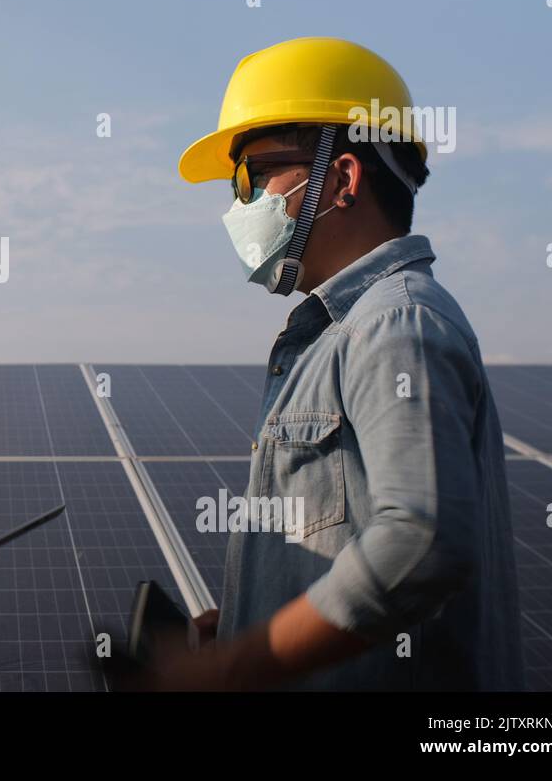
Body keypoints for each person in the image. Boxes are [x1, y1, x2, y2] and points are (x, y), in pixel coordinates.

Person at [138, 36, 524, 690]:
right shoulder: (339, 336)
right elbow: (358, 539)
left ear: (341, 179)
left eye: (254, 176)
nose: (240, 204)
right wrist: (251, 623)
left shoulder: (395, 324)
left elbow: (422, 539)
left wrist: (240, 663)